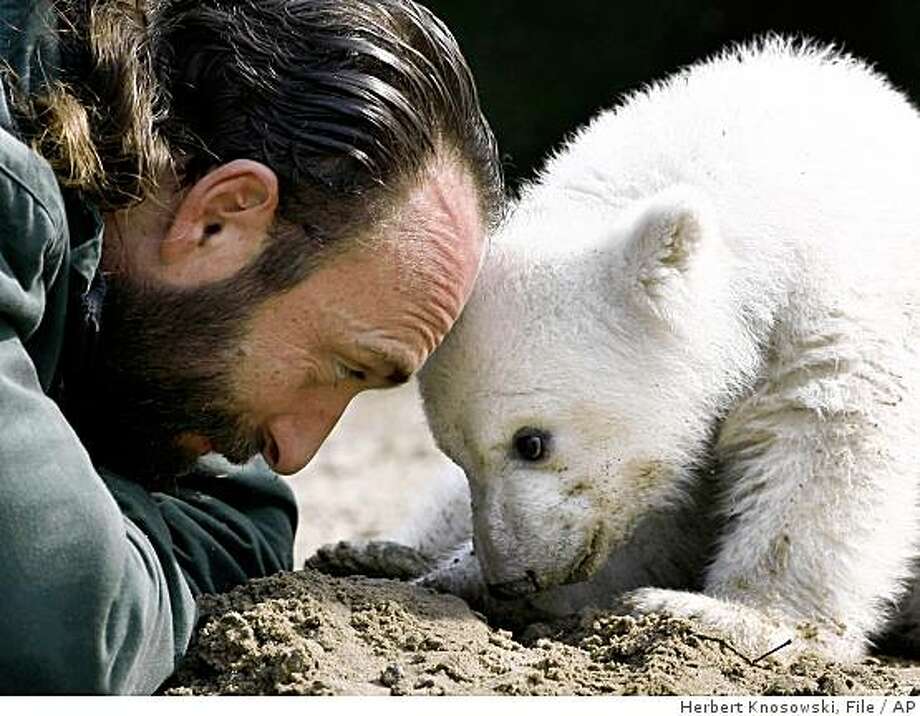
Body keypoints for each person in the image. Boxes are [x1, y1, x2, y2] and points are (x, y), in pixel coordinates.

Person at [0, 0, 501, 694]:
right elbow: (66, 628)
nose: (293, 452)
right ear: (220, 218)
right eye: (344, 367)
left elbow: (235, 531)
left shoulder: (142, 329)